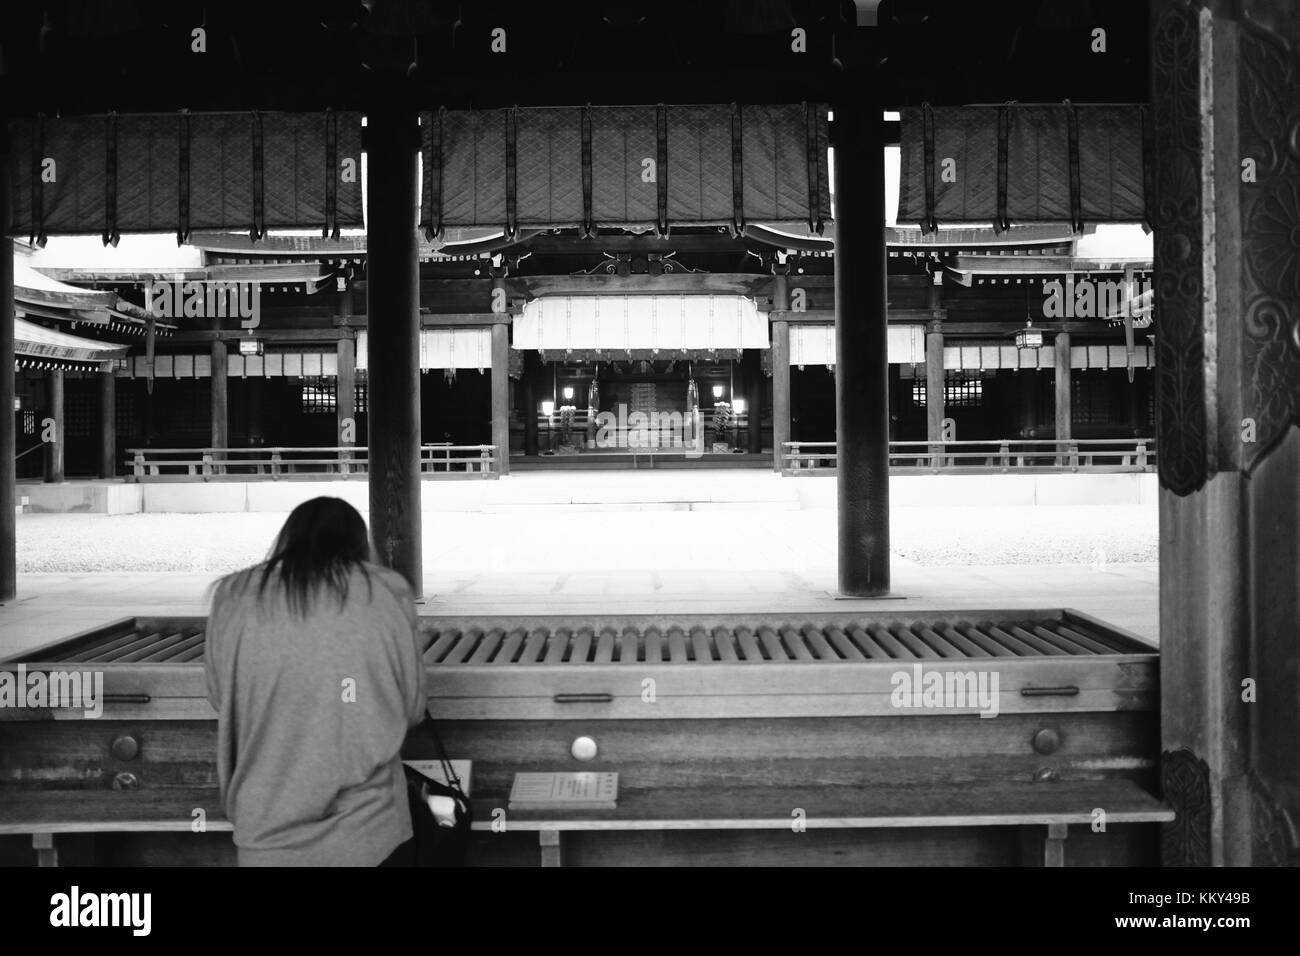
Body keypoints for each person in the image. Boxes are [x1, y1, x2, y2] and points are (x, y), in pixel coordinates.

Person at [204, 496, 426, 866]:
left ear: (287, 538)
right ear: (360, 543)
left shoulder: (233, 594)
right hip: (370, 831)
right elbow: (412, 708)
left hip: (266, 832)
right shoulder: (385, 591)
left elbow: (219, 695)